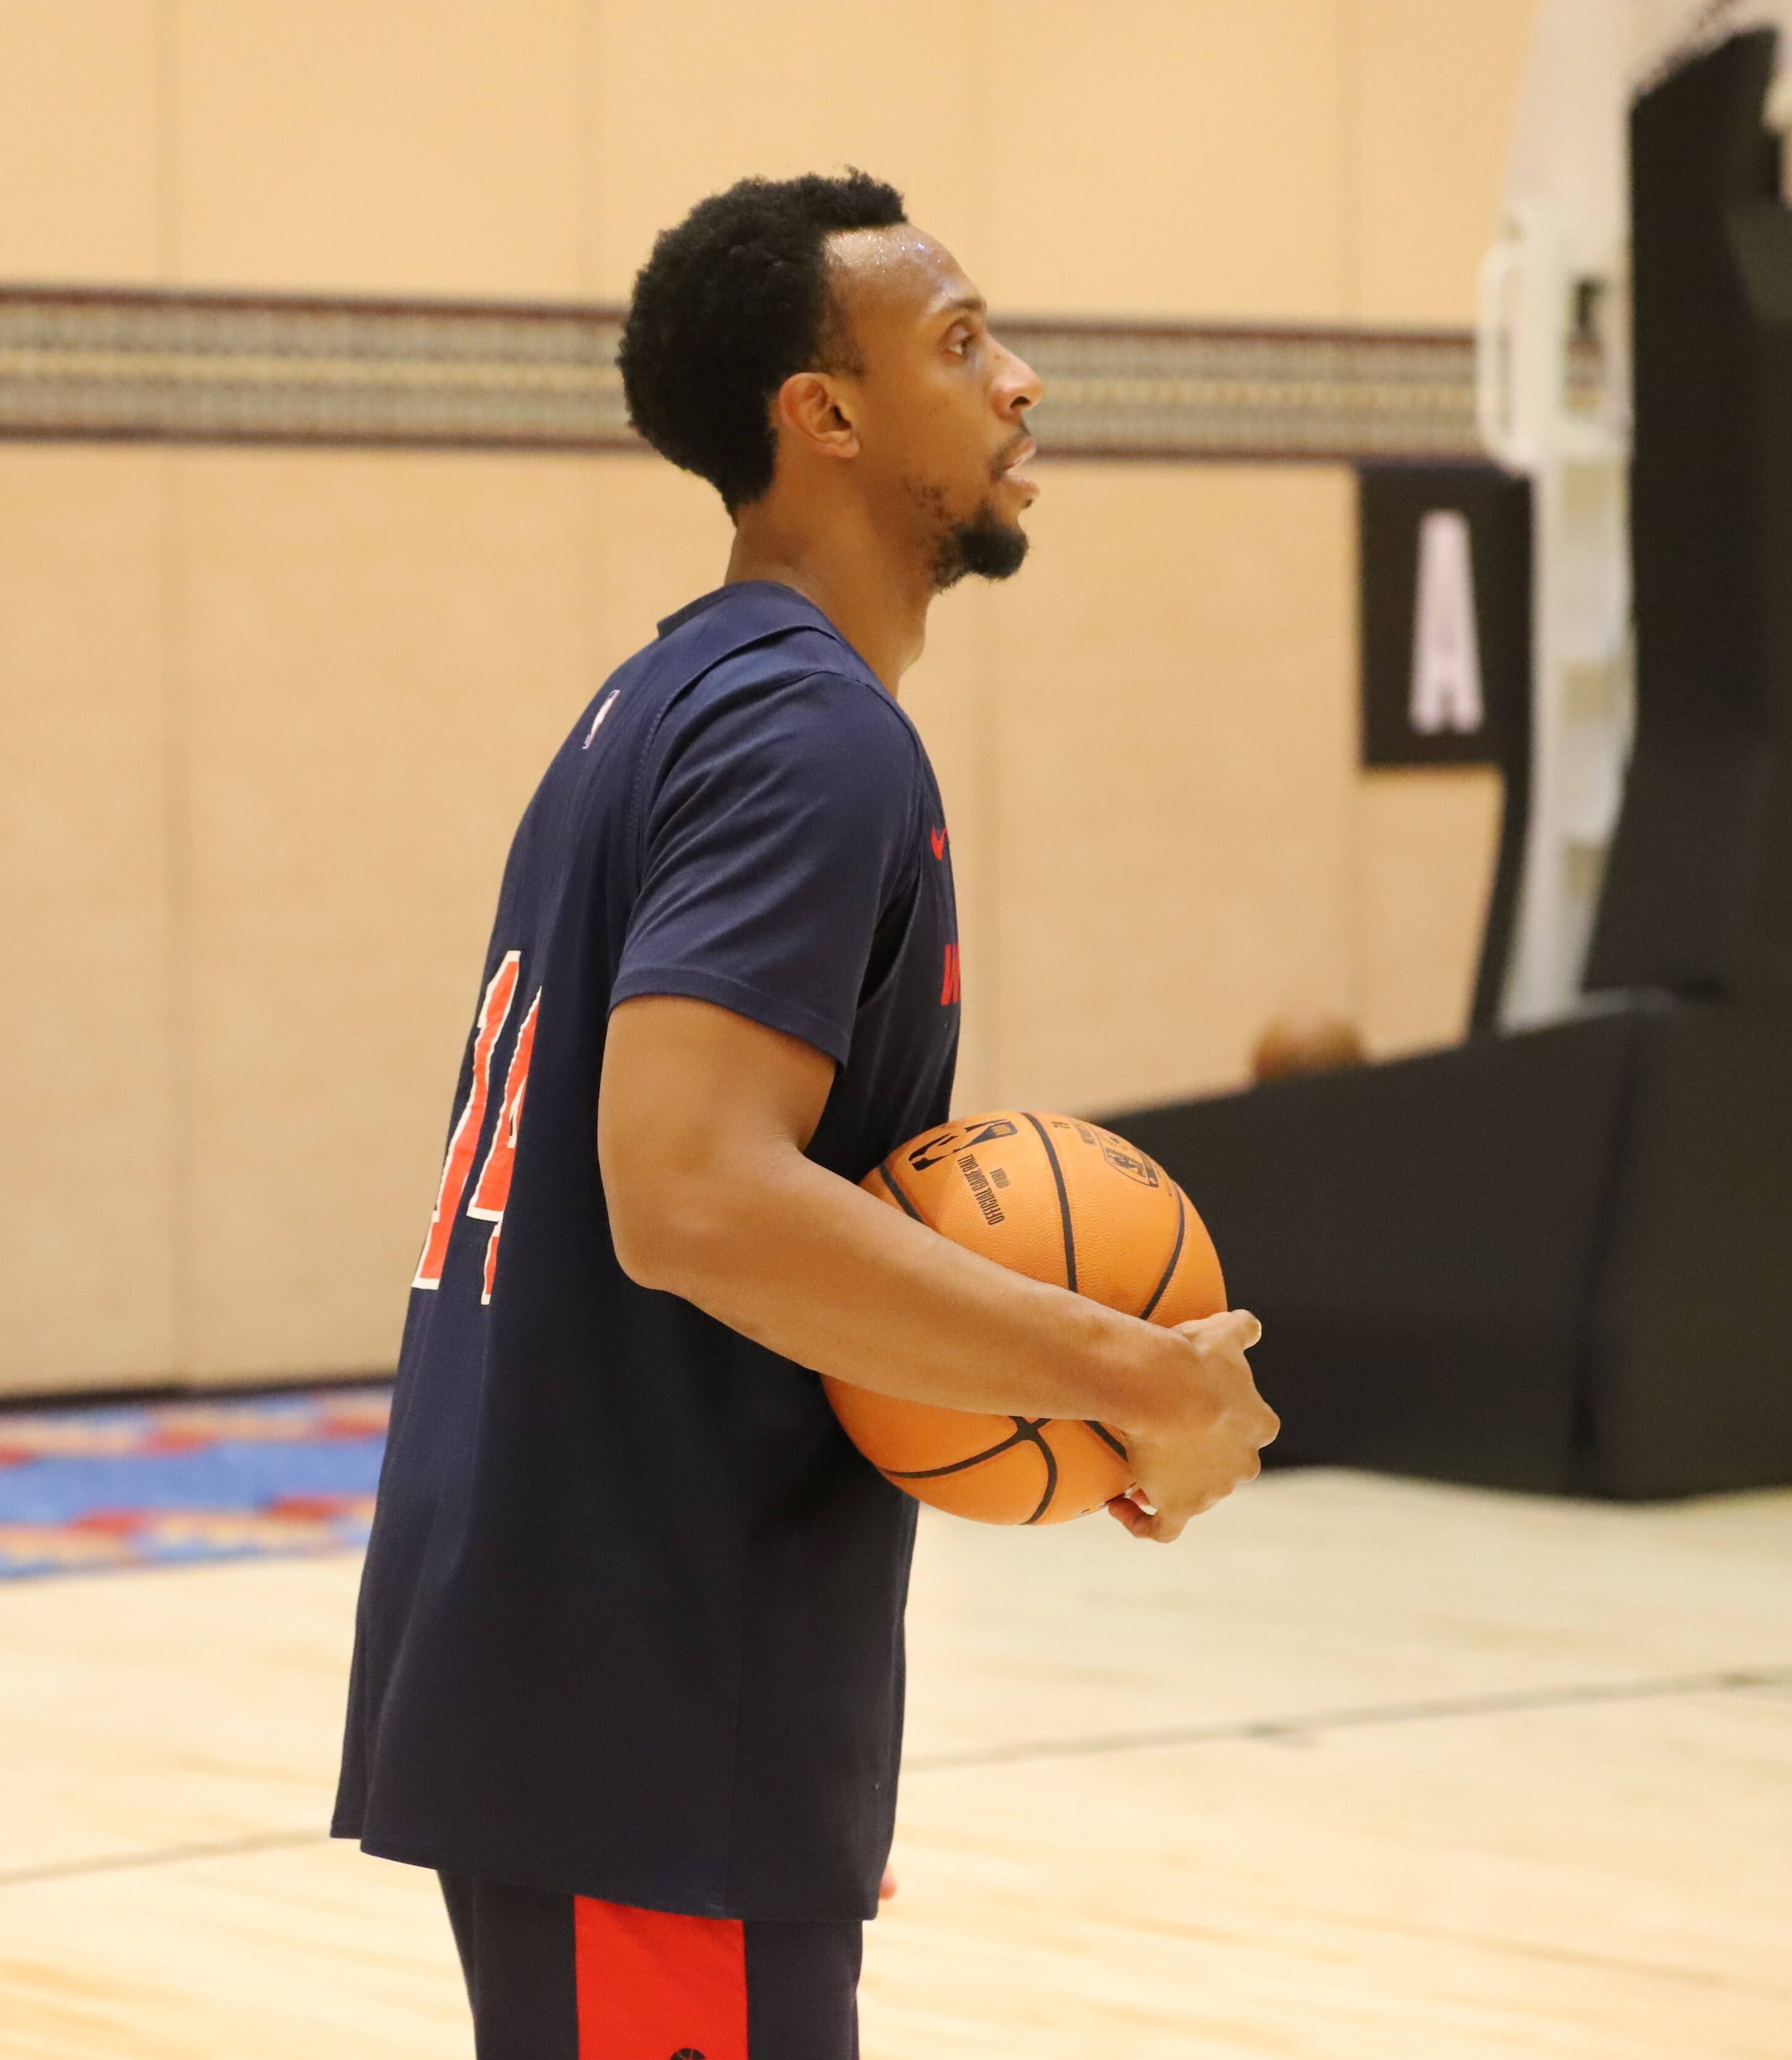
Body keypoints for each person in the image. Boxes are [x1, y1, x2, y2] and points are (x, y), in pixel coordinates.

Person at [333, 174, 1281, 2056]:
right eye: (957, 343)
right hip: (643, 1704)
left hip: (643, 1700)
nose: (1019, 383)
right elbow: (689, 1196)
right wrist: (1135, 1375)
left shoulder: (685, 695)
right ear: (819, 414)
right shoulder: (806, 734)